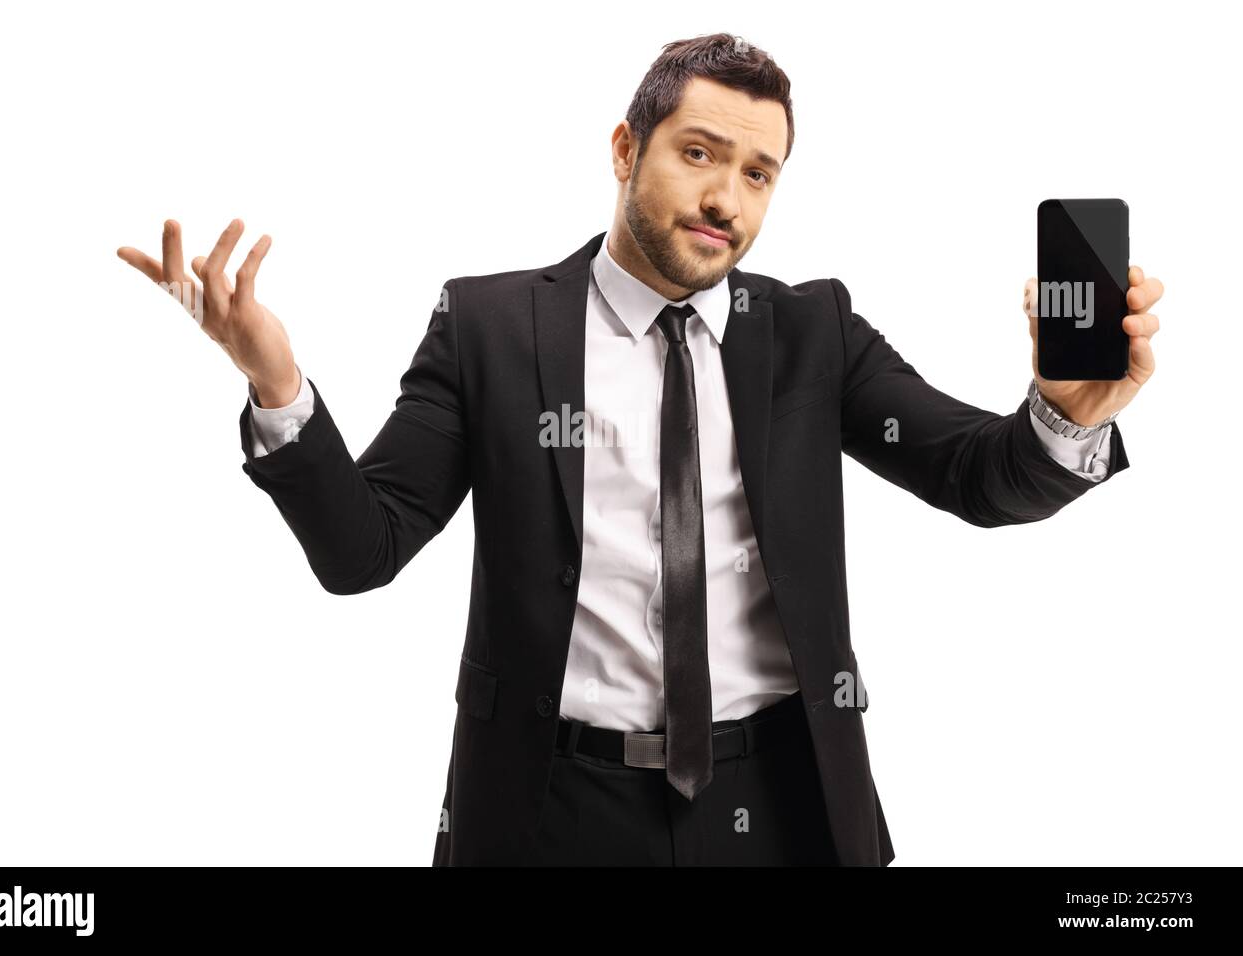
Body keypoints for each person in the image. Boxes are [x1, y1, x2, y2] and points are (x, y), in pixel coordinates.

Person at [117, 32, 1162, 866]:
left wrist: (1064, 409)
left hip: (784, 805)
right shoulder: (488, 329)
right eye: (698, 153)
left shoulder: (810, 331)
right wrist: (277, 383)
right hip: (550, 811)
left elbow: (975, 475)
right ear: (626, 149)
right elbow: (364, 548)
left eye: (759, 173)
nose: (725, 200)